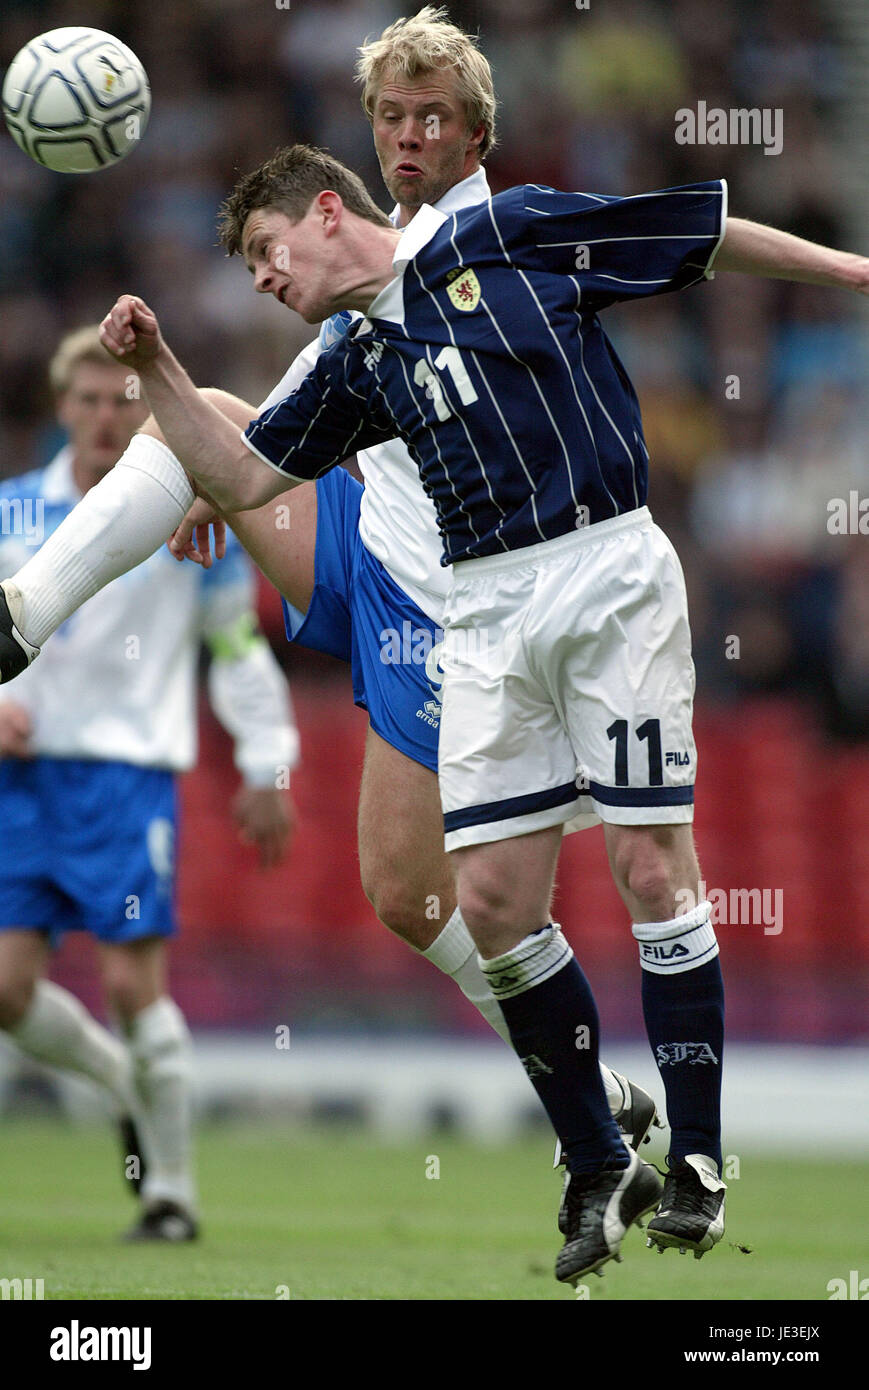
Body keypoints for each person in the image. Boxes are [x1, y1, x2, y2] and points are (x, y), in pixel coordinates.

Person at [3, 117, 866, 1296]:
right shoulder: (342, 339)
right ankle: (23, 610)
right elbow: (251, 459)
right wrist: (201, 465)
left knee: (410, 891)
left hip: (466, 609)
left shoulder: (481, 242)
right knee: (184, 414)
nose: (262, 279)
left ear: (331, 209)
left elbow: (690, 236)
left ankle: (614, 1115)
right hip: (363, 548)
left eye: (268, 250)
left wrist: (846, 272)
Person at [0, 327, 299, 1241]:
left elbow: (236, 645)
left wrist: (266, 758)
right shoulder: (8, 513)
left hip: (126, 779)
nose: (104, 416)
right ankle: (119, 1083)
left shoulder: (185, 515)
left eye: (124, 401)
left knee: (133, 987)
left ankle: (171, 1192)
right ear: (62, 408)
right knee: (5, 993)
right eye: (88, 400)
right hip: (20, 784)